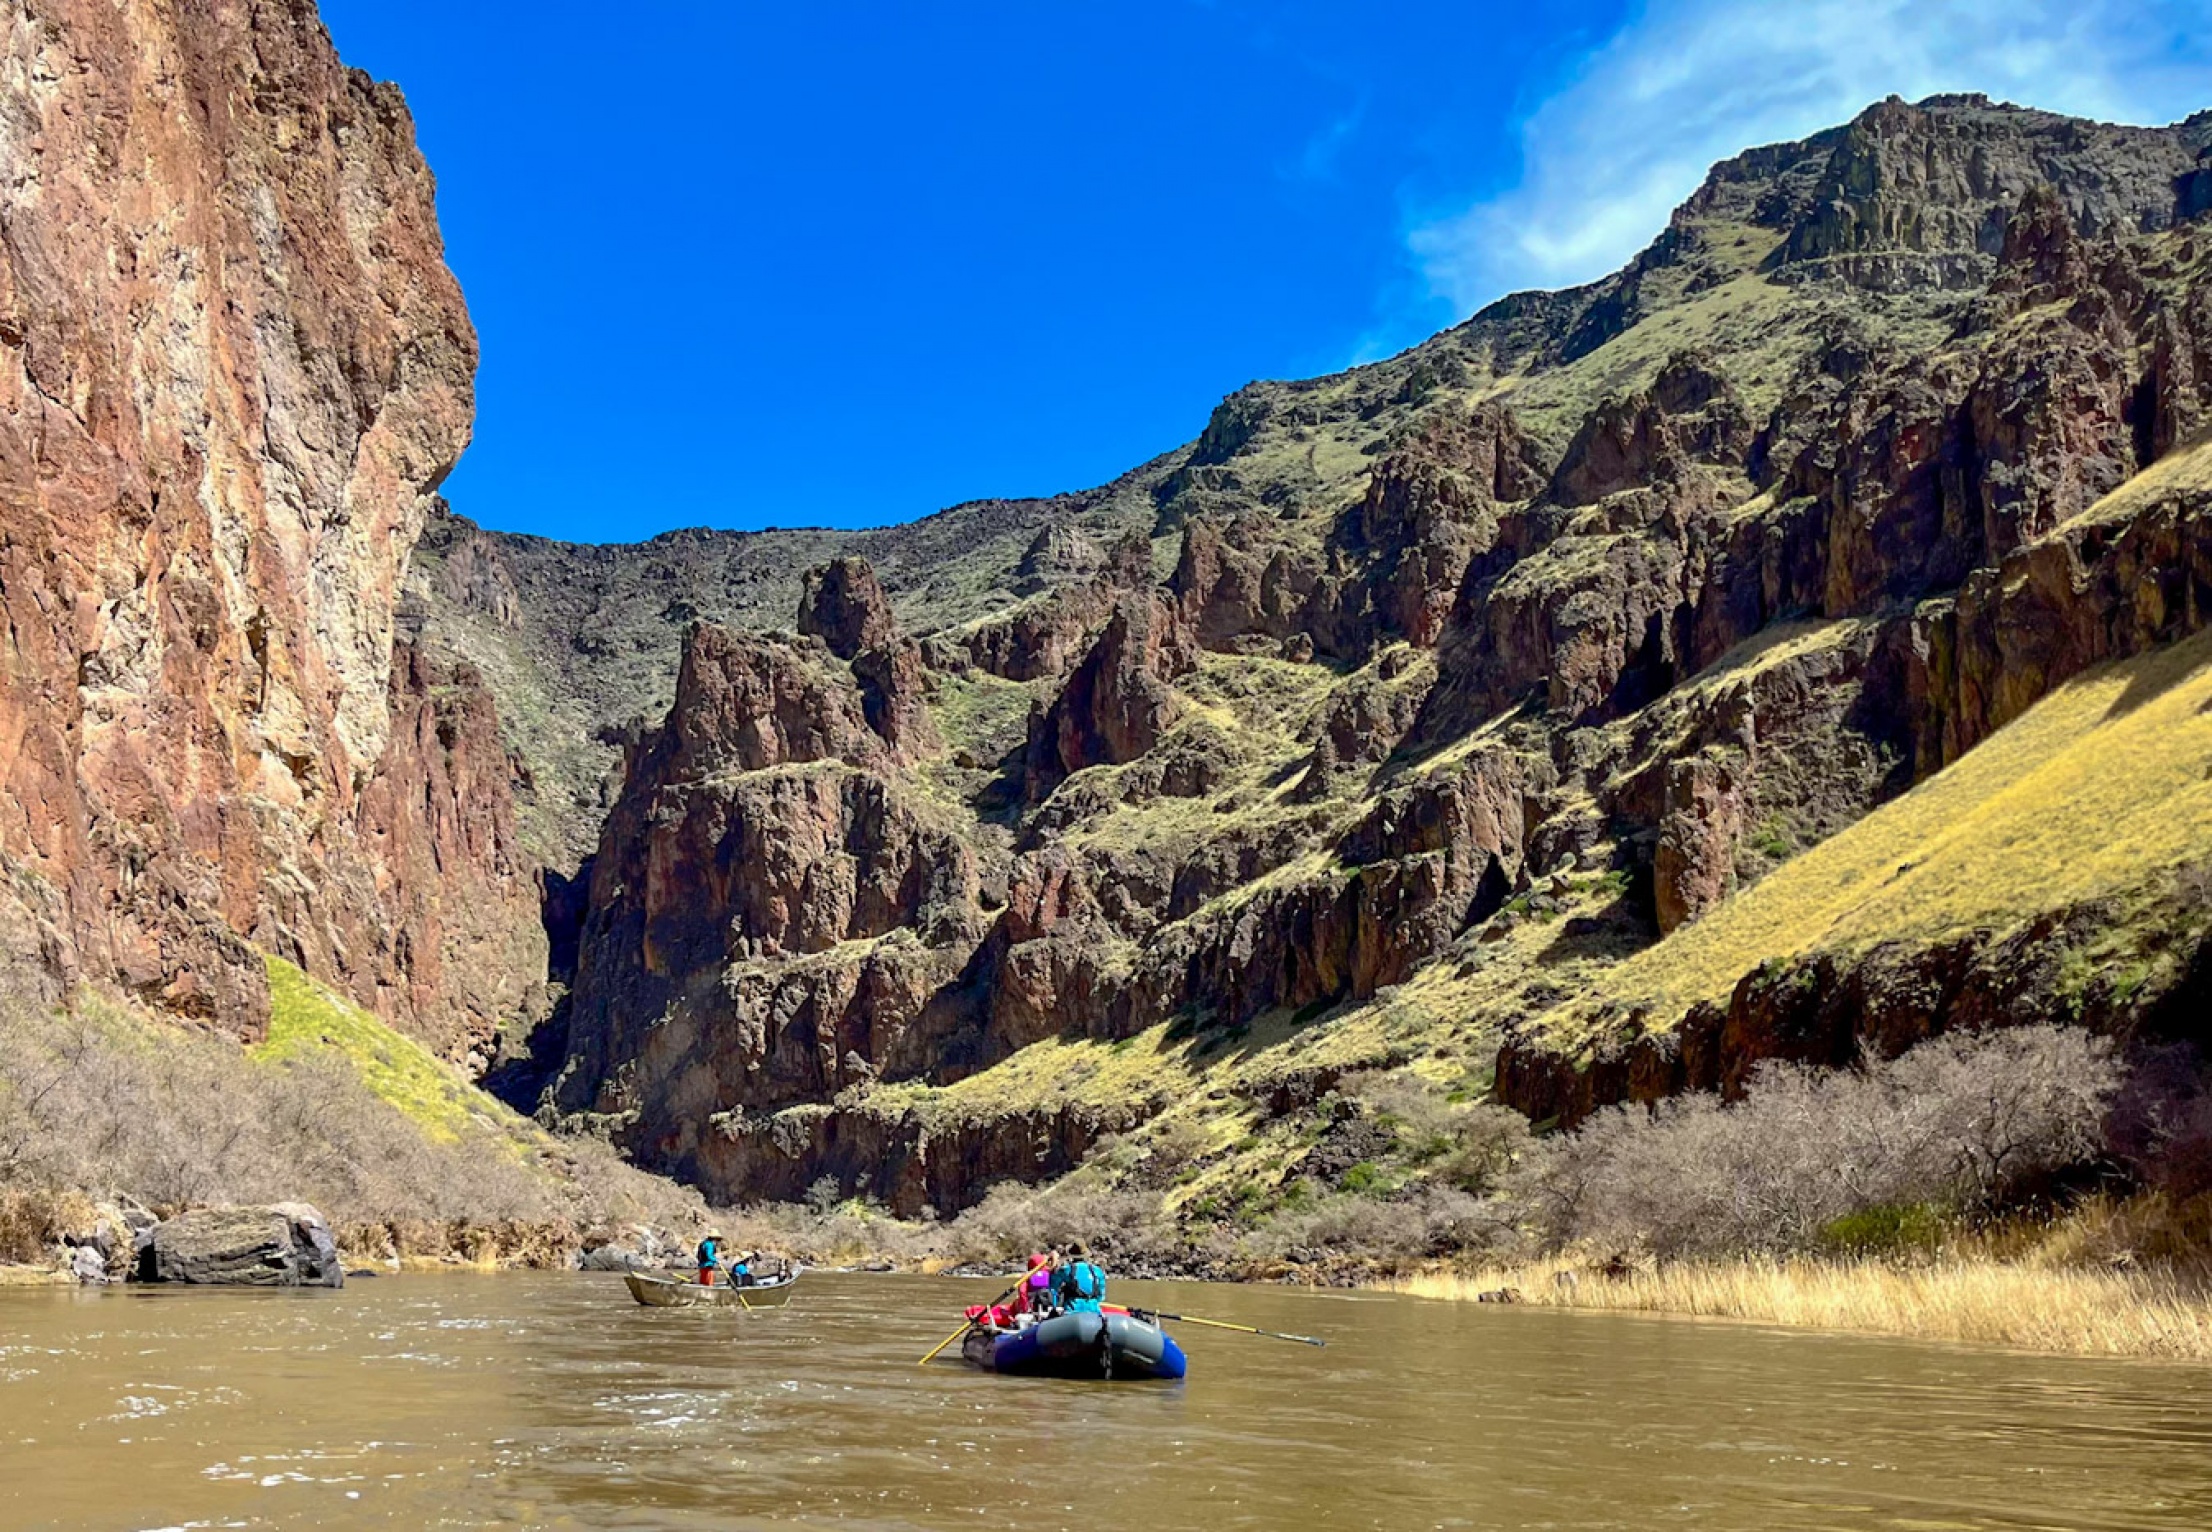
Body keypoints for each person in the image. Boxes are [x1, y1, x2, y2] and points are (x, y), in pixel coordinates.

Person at [1051, 1240, 1105, 1314]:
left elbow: (1053, 1288)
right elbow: (1101, 1296)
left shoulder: (1066, 1270)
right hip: (1094, 1310)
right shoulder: (1097, 1271)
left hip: (1072, 1311)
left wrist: (1053, 1268)